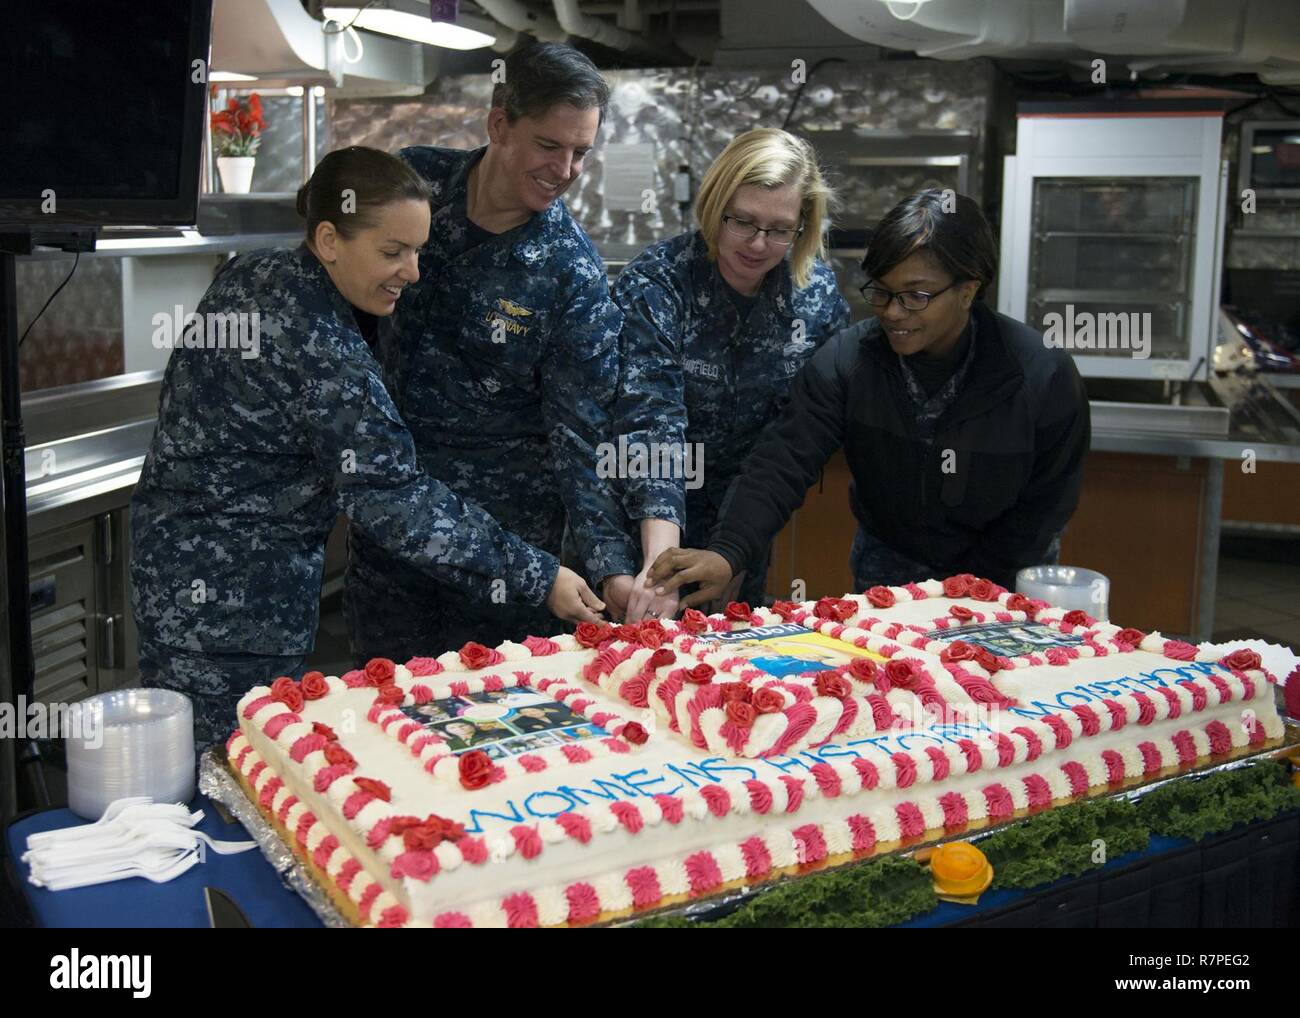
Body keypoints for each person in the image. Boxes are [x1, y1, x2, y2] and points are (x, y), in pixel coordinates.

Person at [130, 146, 603, 757]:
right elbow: (394, 496)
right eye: (392, 252)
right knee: (234, 777)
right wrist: (540, 575)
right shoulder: (322, 346)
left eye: (417, 250)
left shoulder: (256, 273)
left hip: (176, 575)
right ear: (329, 239)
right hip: (235, 609)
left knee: (199, 765)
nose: (413, 271)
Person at [345, 42, 651, 660]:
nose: (565, 169)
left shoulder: (572, 273)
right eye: (549, 144)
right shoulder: (416, 187)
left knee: (487, 727)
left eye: (581, 153)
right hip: (392, 527)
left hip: (507, 556)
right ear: (499, 124)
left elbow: (581, 437)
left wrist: (612, 565)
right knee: (379, 716)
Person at [647, 189, 1090, 605]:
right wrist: (728, 552)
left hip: (1006, 577)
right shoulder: (849, 362)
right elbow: (782, 460)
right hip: (891, 565)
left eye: (915, 296)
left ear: (968, 290)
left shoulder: (1039, 375)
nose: (893, 313)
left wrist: (974, 596)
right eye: (881, 291)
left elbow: (1045, 505)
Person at [612, 128, 849, 619]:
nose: (759, 245)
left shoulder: (815, 294)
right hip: (640, 527)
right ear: (715, 203)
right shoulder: (657, 282)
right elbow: (652, 422)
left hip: (745, 525)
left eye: (780, 229)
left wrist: (733, 551)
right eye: (742, 221)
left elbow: (796, 437)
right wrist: (660, 567)